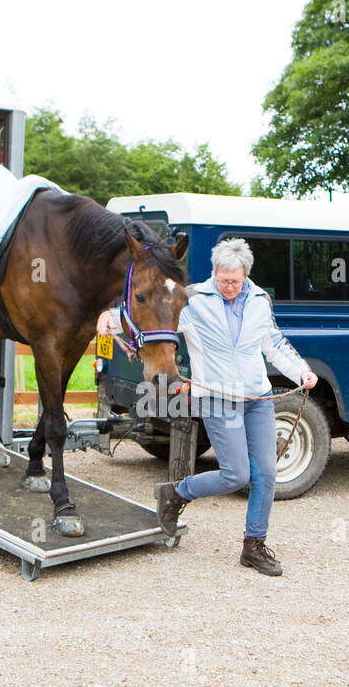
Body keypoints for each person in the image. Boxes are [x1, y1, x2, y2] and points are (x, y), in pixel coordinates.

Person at [97, 238, 317, 575]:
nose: (229, 287)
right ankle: (175, 492)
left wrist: (301, 371)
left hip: (256, 398)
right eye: (224, 279)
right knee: (236, 475)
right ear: (213, 272)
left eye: (236, 281)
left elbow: (273, 344)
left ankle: (253, 546)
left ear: (246, 275)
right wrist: (107, 317)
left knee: (267, 474)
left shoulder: (259, 300)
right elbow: (146, 313)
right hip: (216, 397)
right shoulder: (191, 298)